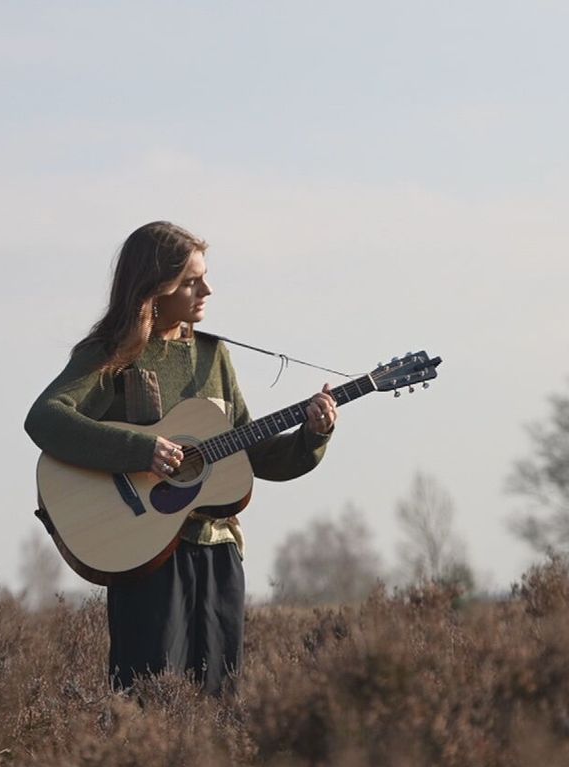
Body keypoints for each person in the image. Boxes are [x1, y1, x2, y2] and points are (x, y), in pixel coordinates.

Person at [24, 221, 337, 695]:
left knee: (219, 699)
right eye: (192, 280)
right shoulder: (108, 355)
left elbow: (252, 455)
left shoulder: (215, 358)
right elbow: (44, 419)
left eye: (204, 277)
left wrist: (311, 436)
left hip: (219, 551)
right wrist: (141, 450)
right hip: (143, 553)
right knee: (146, 697)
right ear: (155, 288)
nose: (207, 289)